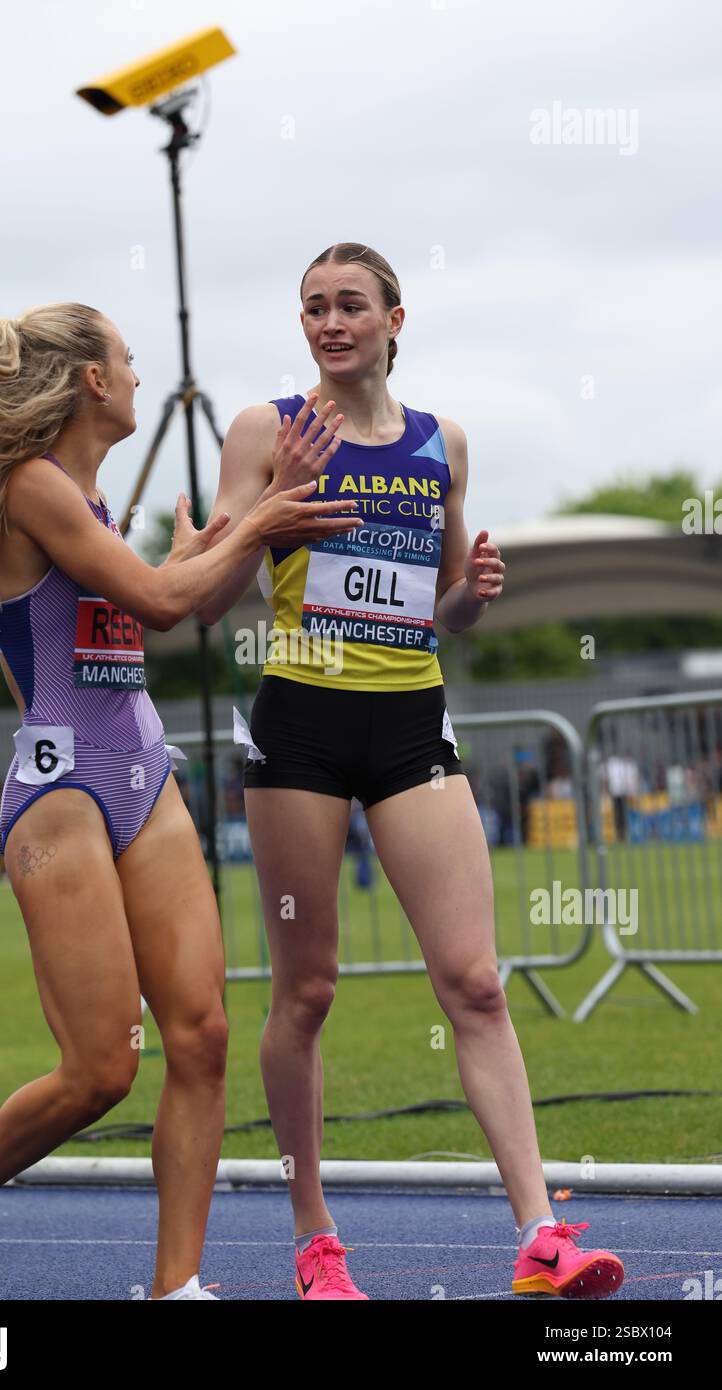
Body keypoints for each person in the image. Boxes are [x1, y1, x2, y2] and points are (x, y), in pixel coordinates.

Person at [0, 243, 360, 1302]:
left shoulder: (96, 509)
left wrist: (235, 530)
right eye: (131, 361)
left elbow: (177, 602)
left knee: (201, 1032)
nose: (143, 376)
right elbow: (155, 599)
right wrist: (268, 514)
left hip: (143, 766)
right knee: (102, 1069)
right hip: (59, 789)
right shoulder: (33, 488)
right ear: (91, 380)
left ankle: (174, 1287)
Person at [197, 242, 625, 1301]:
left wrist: (473, 596)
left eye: (349, 305)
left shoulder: (444, 443)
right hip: (297, 718)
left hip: (408, 719)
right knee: (305, 990)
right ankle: (315, 1241)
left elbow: (438, 607)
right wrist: (270, 506)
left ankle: (538, 1235)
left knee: (474, 982)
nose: (329, 322)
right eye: (311, 308)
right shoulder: (265, 428)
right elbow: (201, 600)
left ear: (395, 317)